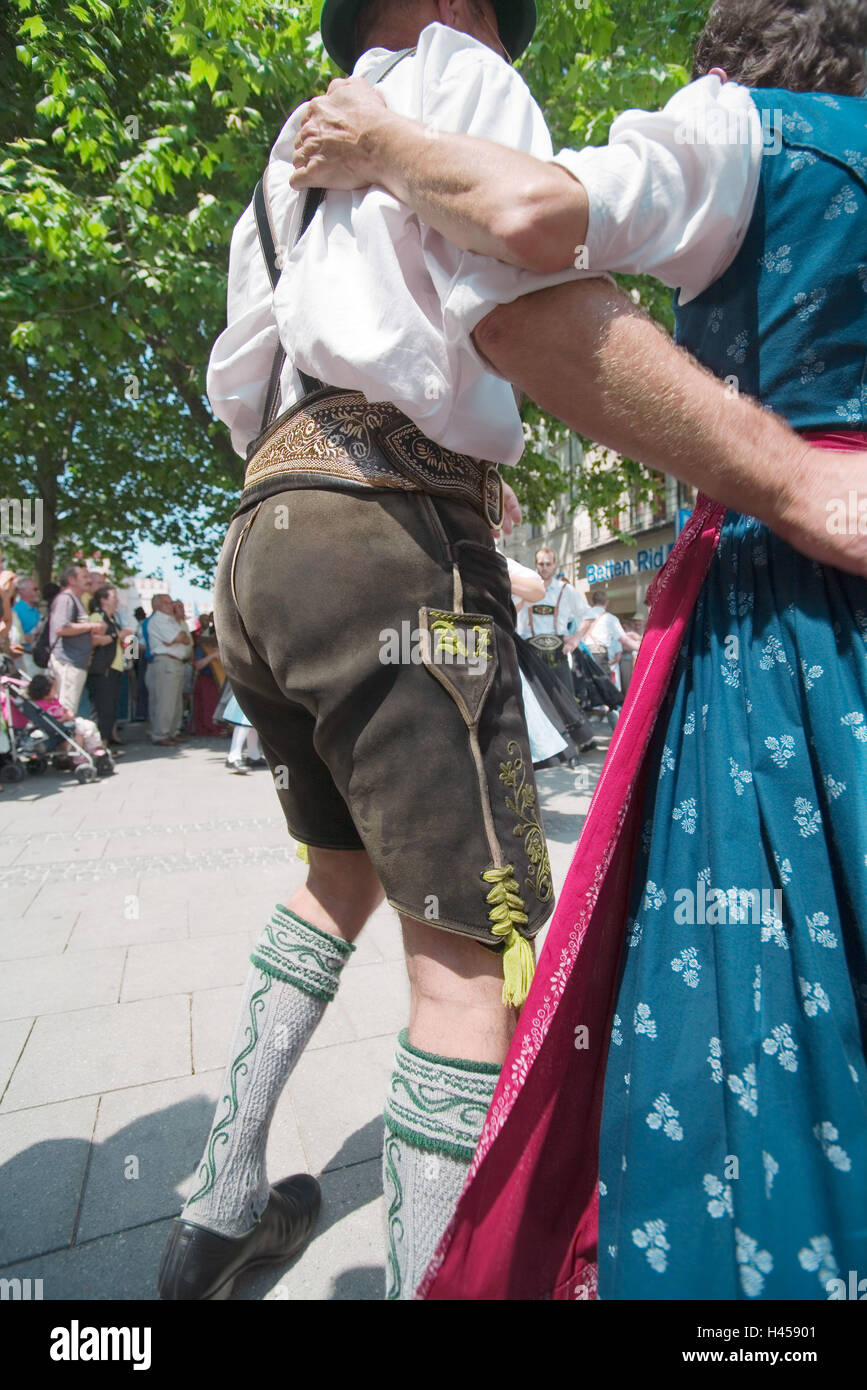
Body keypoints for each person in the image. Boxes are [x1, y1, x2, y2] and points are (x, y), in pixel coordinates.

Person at [297, 0, 867, 1300]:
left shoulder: (745, 129)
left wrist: (385, 140)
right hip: (413, 539)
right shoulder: (472, 81)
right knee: (455, 918)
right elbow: (512, 304)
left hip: (781, 620)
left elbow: (521, 224)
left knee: (739, 1007)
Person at [47, 564, 106, 717]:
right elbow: (60, 628)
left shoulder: (76, 600)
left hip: (76, 662)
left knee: (70, 710)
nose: (89, 581)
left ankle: (72, 739)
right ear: (71, 580)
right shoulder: (65, 599)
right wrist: (91, 625)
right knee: (66, 711)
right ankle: (66, 741)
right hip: (68, 662)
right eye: (85, 577)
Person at [87, 585, 133, 751]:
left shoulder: (113, 619)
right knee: (103, 709)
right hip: (102, 669)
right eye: (114, 596)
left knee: (111, 709)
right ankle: (99, 748)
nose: (117, 600)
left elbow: (121, 642)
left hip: (115, 668)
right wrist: (117, 636)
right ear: (103, 599)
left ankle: (105, 744)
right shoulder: (96, 617)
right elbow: (94, 640)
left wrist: (127, 646)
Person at [145, 594, 191, 747]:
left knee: (175, 701)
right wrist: (180, 637)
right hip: (166, 662)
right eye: (168, 603)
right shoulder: (158, 620)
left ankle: (172, 732)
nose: (171, 605)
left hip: (175, 662)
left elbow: (186, 638)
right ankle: (161, 734)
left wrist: (181, 637)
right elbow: (178, 637)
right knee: (166, 701)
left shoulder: (170, 620)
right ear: (157, 605)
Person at [11, 577, 42, 677]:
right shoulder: (17, 611)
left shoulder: (35, 609)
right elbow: (15, 637)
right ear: (23, 591)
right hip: (25, 657)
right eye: (35, 589)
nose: (38, 592)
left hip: (37, 656)